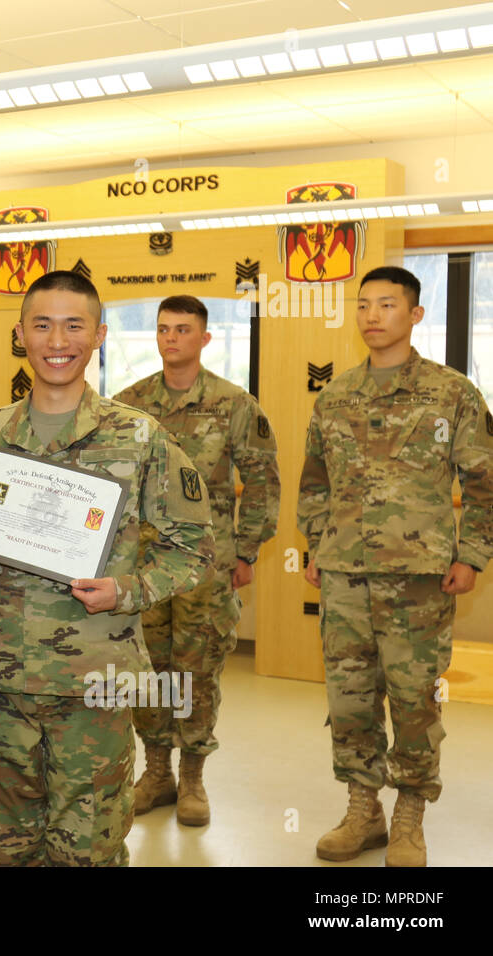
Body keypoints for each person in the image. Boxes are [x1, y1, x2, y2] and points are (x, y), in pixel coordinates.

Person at [0, 270, 214, 866]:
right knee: (5, 847)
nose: (57, 339)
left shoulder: (140, 438)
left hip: (97, 685)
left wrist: (127, 590)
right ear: (20, 335)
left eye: (73, 325)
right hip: (3, 686)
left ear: (100, 335)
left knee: (90, 850)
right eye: (41, 324)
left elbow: (193, 550)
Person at [299, 265, 492, 867]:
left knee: (415, 700)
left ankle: (411, 813)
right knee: (351, 698)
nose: (372, 315)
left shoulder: (452, 393)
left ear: (415, 315)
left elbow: (484, 482)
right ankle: (364, 810)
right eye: (363, 305)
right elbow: (314, 481)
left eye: (386, 304)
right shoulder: (334, 396)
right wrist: (315, 543)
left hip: (420, 578)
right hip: (344, 574)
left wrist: (474, 555)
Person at [113, 294, 279, 825]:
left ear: (205, 338)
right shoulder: (129, 405)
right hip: (142, 565)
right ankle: (156, 772)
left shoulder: (235, 405)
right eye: (163, 329)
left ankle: (192, 779)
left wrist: (248, 550)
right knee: (147, 669)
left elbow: (261, 481)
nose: (171, 338)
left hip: (206, 565)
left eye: (183, 330)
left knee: (197, 669)